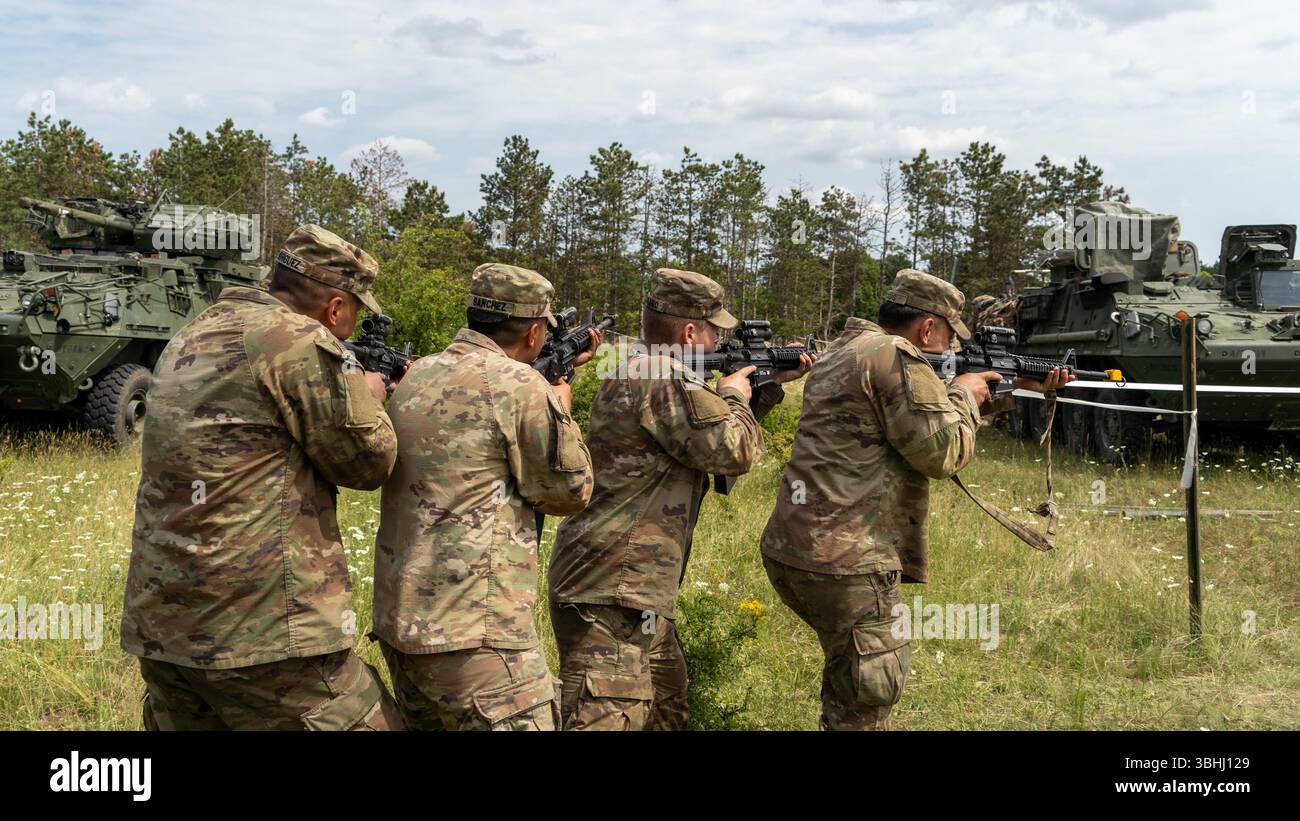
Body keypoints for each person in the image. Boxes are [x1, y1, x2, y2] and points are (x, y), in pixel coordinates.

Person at [759, 268, 1071, 730]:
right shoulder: (898, 356)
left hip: (798, 549)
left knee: (849, 680)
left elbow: (901, 418)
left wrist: (1001, 389)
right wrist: (965, 392)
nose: (949, 349)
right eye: (948, 337)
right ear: (927, 328)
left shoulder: (852, 347)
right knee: (866, 699)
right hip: (849, 561)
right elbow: (942, 454)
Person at [122, 224, 402, 730]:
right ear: (335, 308)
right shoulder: (297, 340)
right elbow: (369, 464)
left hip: (164, 622)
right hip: (264, 629)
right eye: (354, 312)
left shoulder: (194, 331)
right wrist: (373, 397)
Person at [547, 268, 813, 730]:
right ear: (690, 331)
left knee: (666, 712)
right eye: (714, 332)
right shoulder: (661, 375)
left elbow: (711, 442)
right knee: (606, 717)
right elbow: (733, 450)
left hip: (635, 593)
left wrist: (763, 389)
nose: (717, 342)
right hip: (613, 591)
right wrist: (734, 393)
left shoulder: (643, 365)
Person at [371, 263, 596, 731]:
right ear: (535, 331)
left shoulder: (418, 375)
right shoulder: (522, 387)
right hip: (478, 638)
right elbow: (570, 491)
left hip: (404, 628)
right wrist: (562, 410)